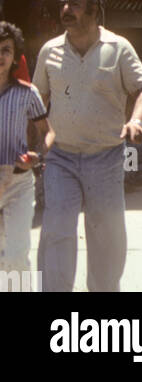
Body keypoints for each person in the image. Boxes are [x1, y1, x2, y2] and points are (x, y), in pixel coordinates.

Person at [33, 0, 142, 293]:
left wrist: (136, 120)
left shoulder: (119, 47)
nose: (65, 10)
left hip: (107, 156)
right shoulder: (50, 51)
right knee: (57, 228)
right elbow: (36, 100)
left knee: (106, 234)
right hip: (61, 157)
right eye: (63, 4)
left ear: (94, 10)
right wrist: (41, 140)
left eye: (74, 4)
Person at [0, 19, 52, 287]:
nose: (0, 56)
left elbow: (47, 132)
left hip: (19, 183)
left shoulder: (27, 93)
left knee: (17, 255)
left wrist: (39, 157)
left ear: (14, 54)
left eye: (5, 50)